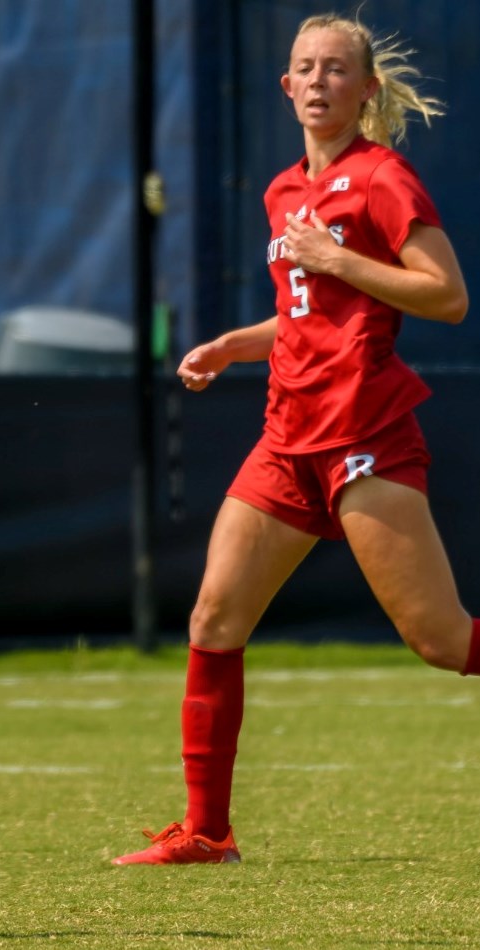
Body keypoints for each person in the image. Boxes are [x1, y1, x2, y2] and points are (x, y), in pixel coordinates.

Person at [114, 13, 470, 866]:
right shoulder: (282, 191)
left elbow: (446, 295)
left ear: (365, 89)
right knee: (213, 616)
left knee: (440, 640)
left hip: (362, 430)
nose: (317, 81)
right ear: (284, 86)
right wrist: (232, 345)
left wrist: (338, 257)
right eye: (304, 68)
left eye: (335, 69)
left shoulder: (381, 178)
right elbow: (304, 313)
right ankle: (207, 832)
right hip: (286, 436)